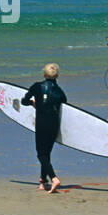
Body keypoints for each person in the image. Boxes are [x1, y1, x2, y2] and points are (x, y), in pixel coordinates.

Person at [21, 63, 66, 192]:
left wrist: (33, 103)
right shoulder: (59, 91)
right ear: (57, 76)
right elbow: (64, 106)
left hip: (42, 124)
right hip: (54, 125)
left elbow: (24, 101)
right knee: (47, 153)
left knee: (41, 154)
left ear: (44, 74)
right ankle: (42, 181)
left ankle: (53, 178)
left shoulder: (37, 87)